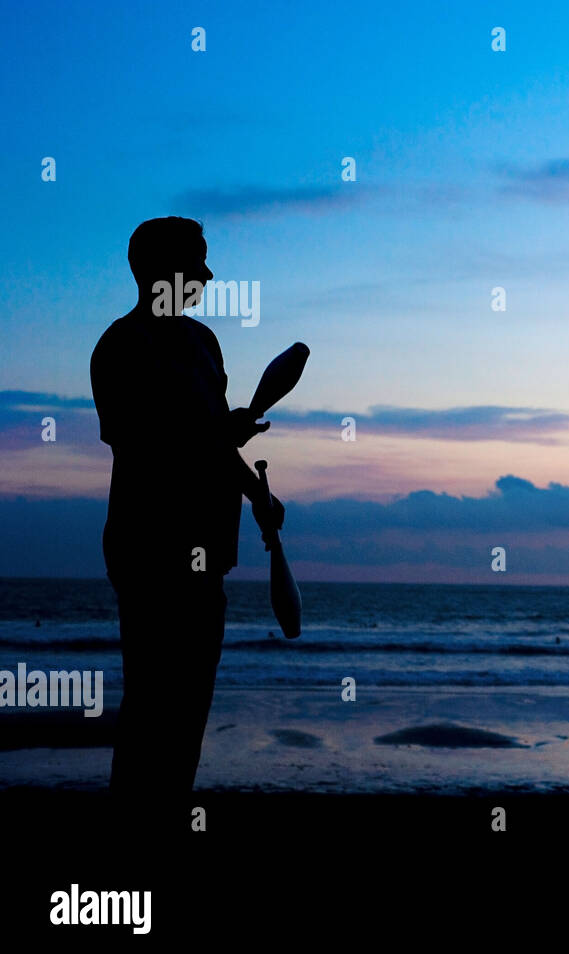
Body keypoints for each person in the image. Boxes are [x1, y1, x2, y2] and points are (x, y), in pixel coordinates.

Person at [90, 217, 283, 831]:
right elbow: (140, 446)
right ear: (159, 270)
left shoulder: (204, 346)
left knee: (189, 709)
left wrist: (254, 492)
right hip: (150, 553)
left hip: (208, 555)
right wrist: (217, 435)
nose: (208, 275)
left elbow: (211, 445)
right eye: (198, 262)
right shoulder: (121, 348)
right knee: (152, 708)